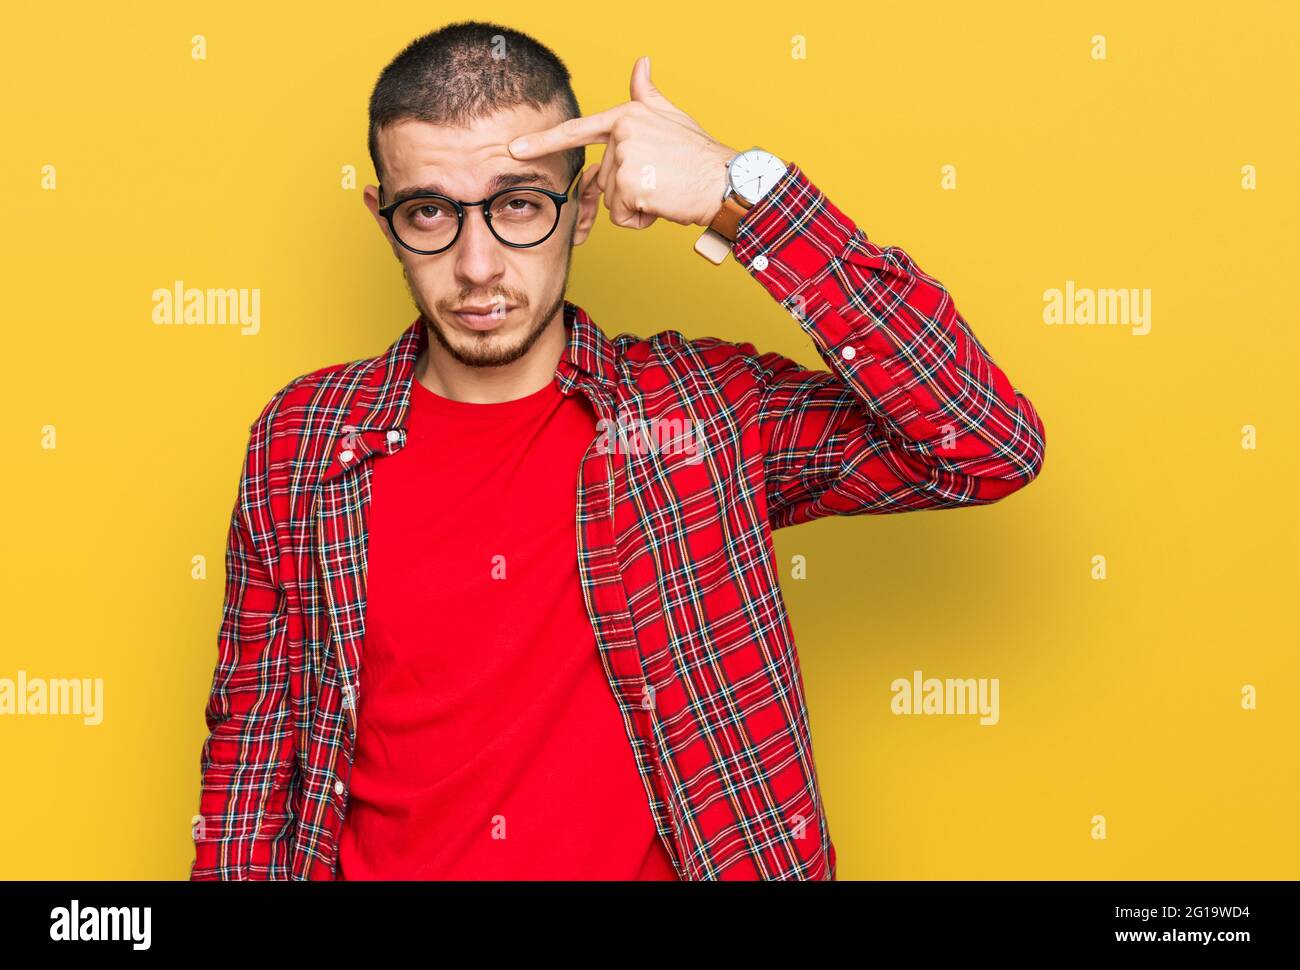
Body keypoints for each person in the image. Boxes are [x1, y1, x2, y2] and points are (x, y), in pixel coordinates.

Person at [190, 20, 1046, 881]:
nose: (478, 265)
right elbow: (253, 761)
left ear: (584, 205)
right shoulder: (304, 441)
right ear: (384, 221)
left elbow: (983, 444)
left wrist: (737, 193)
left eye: (518, 203)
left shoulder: (703, 414)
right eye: (431, 213)